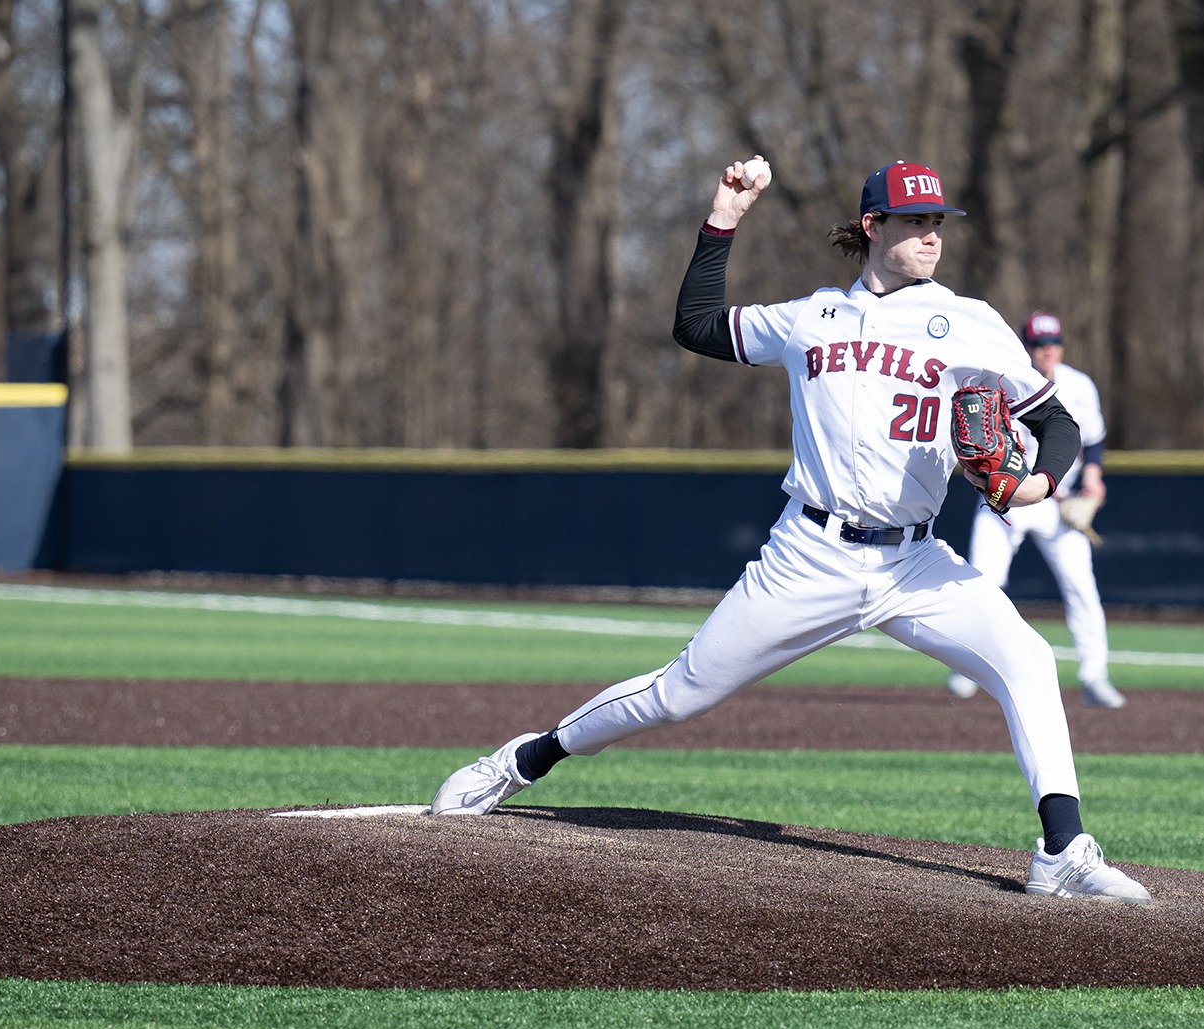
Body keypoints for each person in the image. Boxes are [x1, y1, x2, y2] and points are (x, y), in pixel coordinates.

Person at [431, 157, 1149, 905]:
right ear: (874, 227)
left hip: (915, 562)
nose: (932, 235)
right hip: (809, 555)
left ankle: (1062, 850)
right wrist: (724, 221)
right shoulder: (811, 318)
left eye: (937, 221)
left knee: (1029, 660)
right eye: (914, 221)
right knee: (678, 695)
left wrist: (1036, 482)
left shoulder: (969, 321)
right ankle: (524, 759)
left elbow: (1054, 421)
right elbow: (696, 326)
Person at [945, 309, 1126, 709]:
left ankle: (1094, 676)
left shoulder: (1080, 385)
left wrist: (1093, 476)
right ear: (1026, 346)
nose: (1047, 350)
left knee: (1081, 587)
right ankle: (967, 668)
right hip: (1003, 499)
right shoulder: (1004, 379)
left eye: (1053, 342)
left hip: (1058, 503)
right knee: (983, 582)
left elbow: (1092, 440)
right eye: (1039, 344)